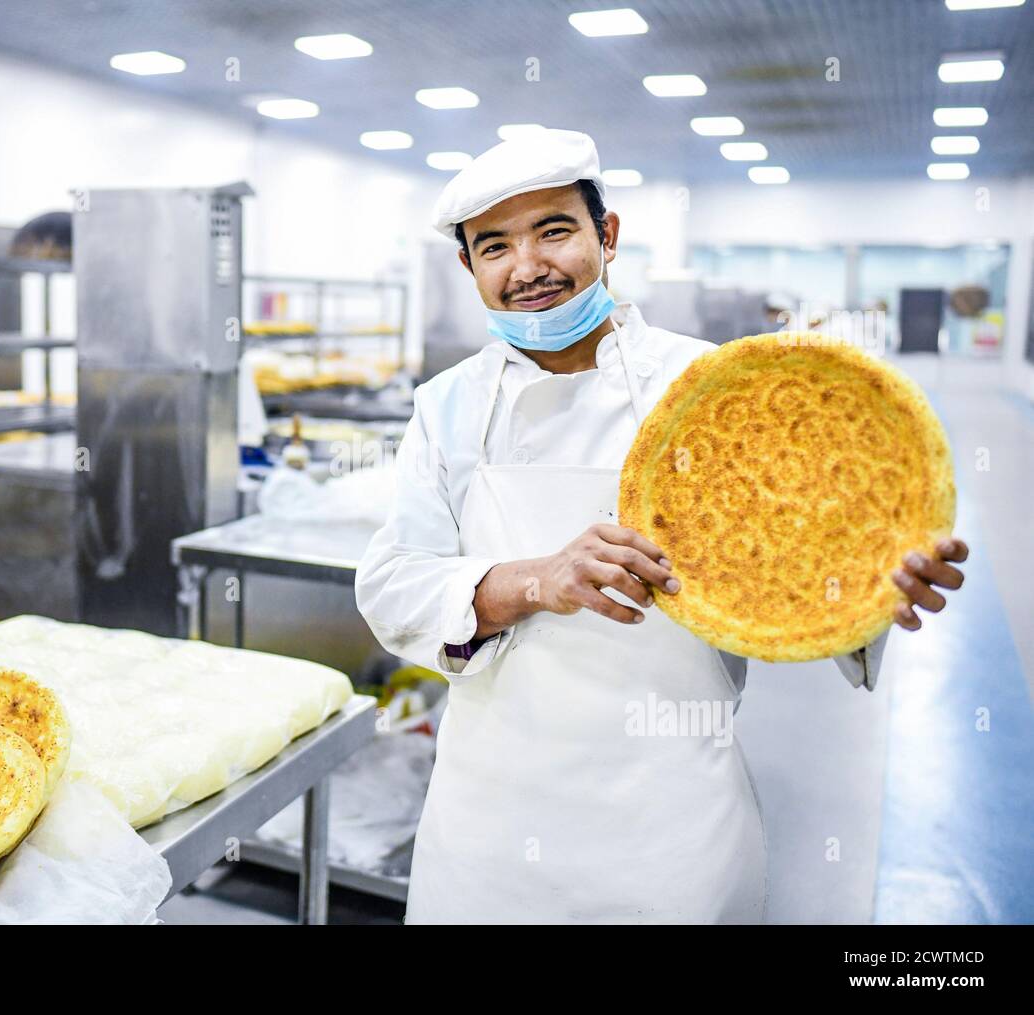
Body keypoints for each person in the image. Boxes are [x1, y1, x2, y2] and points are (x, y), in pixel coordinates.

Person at [354, 129, 968, 924]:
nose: (527, 266)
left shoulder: (709, 386)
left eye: (553, 231)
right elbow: (392, 585)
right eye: (495, 246)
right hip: (489, 825)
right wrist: (535, 579)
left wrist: (874, 584)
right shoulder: (446, 408)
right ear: (469, 267)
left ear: (607, 235)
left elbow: (795, 548)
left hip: (671, 825)